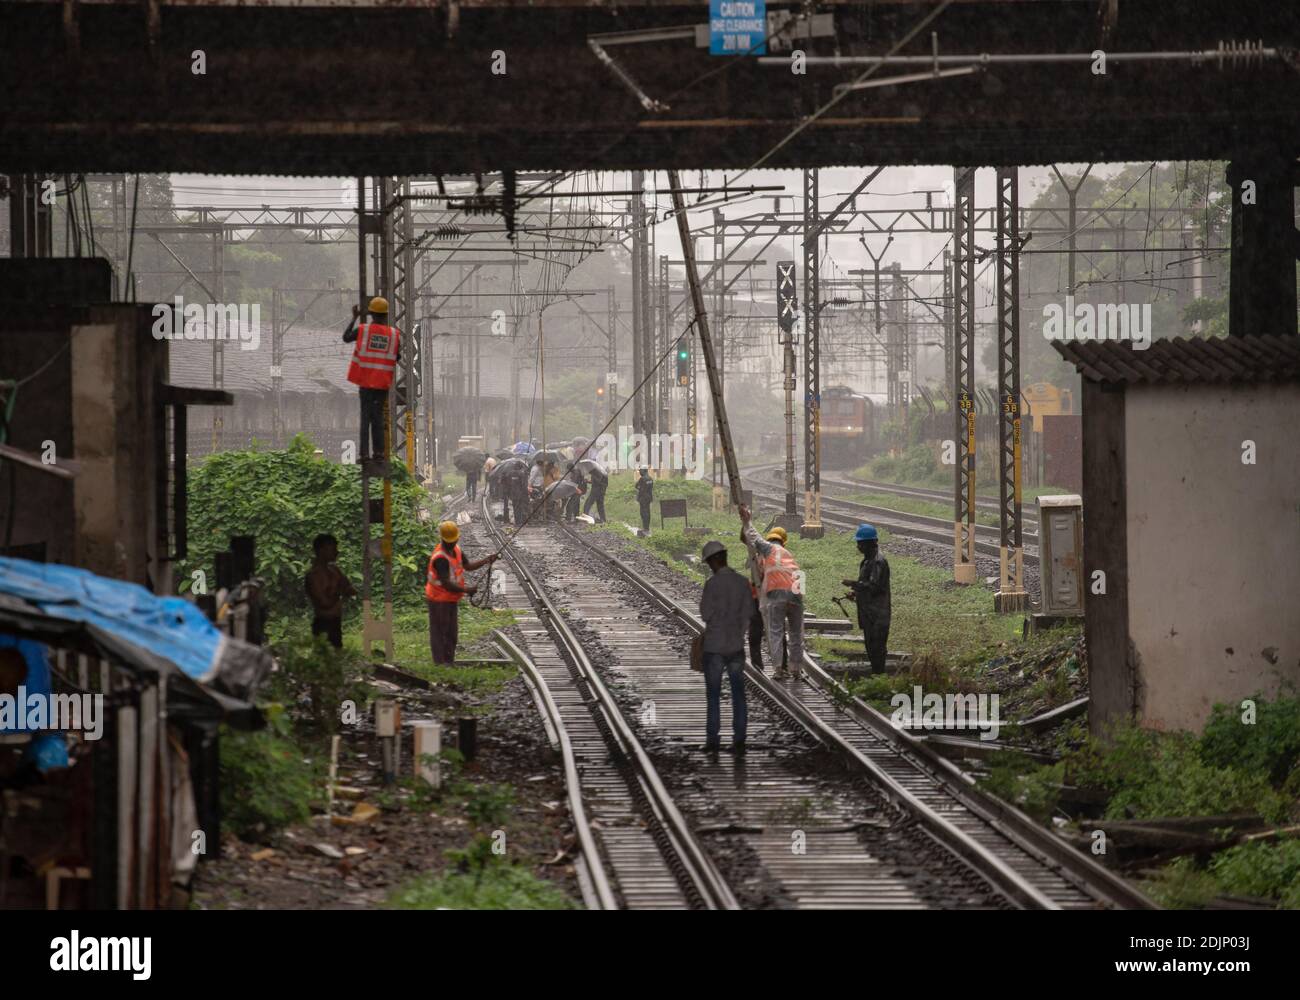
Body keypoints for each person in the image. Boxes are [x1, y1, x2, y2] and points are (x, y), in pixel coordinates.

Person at [739, 505, 804, 681]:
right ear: (784, 541)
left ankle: (778, 669)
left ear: (770, 540)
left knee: (775, 631)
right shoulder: (789, 554)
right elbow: (799, 576)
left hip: (777, 593)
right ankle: (796, 669)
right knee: (797, 633)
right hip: (797, 593)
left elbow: (752, 536)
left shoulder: (768, 550)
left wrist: (747, 520)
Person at [698, 540, 751, 753]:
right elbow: (748, 614)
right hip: (736, 647)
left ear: (715, 560)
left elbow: (705, 614)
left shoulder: (712, 584)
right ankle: (739, 739)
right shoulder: (742, 582)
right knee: (739, 693)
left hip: (714, 648)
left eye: (709, 562)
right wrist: (738, 633)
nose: (710, 566)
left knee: (713, 694)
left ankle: (713, 739)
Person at [425, 520, 497, 665]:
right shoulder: (440, 558)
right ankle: (440, 664)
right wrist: (466, 590)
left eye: (454, 540)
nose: (453, 542)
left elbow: (468, 566)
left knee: (451, 633)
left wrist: (486, 560)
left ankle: (449, 662)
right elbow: (446, 583)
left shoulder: (456, 550)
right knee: (439, 633)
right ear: (444, 539)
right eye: (451, 541)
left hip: (450, 599)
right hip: (438, 600)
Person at [343, 297, 401, 462]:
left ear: (371, 314)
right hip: (382, 384)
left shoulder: (364, 330)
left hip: (366, 382)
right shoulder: (394, 334)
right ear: (386, 315)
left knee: (365, 418)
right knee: (378, 418)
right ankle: (379, 453)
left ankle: (364, 454)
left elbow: (346, 337)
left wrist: (354, 317)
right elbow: (397, 356)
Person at [842, 523, 891, 675]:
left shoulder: (878, 562)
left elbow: (874, 586)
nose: (858, 546)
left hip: (877, 614)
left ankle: (879, 677)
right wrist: (856, 593)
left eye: (860, 543)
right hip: (868, 613)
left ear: (868, 543)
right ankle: (877, 677)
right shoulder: (867, 561)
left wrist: (854, 584)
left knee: (877, 648)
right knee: (870, 647)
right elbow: (868, 587)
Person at [305, 533, 356, 649]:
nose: (336, 552)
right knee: (324, 660)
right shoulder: (313, 575)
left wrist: (336, 590)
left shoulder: (334, 570)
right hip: (323, 624)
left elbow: (351, 590)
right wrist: (339, 590)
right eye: (333, 549)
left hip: (336, 622)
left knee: (336, 658)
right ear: (321, 550)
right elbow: (324, 603)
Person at [740, 528, 766, 672]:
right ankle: (783, 665)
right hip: (769, 597)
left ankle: (757, 662)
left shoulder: (763, 554)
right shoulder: (775, 552)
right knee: (775, 630)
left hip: (761, 597)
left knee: (756, 628)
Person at [635, 467, 654, 533]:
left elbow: (637, 486)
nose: (640, 472)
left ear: (644, 471)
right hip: (649, 498)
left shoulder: (642, 479)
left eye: (640, 471)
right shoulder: (650, 479)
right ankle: (647, 528)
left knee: (643, 513)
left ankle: (645, 528)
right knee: (648, 513)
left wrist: (638, 497)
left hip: (643, 498)